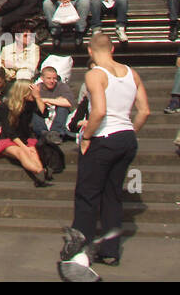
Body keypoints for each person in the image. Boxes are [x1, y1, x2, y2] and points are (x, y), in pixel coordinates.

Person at [61, 33, 149, 274]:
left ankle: (80, 250)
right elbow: (144, 111)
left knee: (87, 195)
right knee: (113, 195)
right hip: (126, 137)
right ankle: (110, 251)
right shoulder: (132, 73)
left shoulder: (94, 74)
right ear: (112, 48)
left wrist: (87, 136)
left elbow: (98, 111)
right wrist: (129, 131)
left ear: (90, 51)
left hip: (103, 138)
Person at [0, 79, 52, 186]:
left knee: (33, 152)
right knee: (22, 152)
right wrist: (23, 147)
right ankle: (41, 172)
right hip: (8, 139)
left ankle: (40, 175)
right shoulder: (6, 107)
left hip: (24, 137)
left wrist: (37, 97)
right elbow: (9, 131)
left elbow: (44, 113)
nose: (33, 94)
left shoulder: (30, 104)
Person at [31, 64, 75, 143]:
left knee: (62, 108)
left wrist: (44, 100)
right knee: (35, 108)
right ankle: (43, 133)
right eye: (48, 78)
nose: (52, 81)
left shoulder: (62, 86)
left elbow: (68, 102)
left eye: (54, 78)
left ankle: (56, 133)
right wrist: (54, 100)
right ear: (42, 78)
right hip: (44, 116)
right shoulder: (37, 88)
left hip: (58, 116)